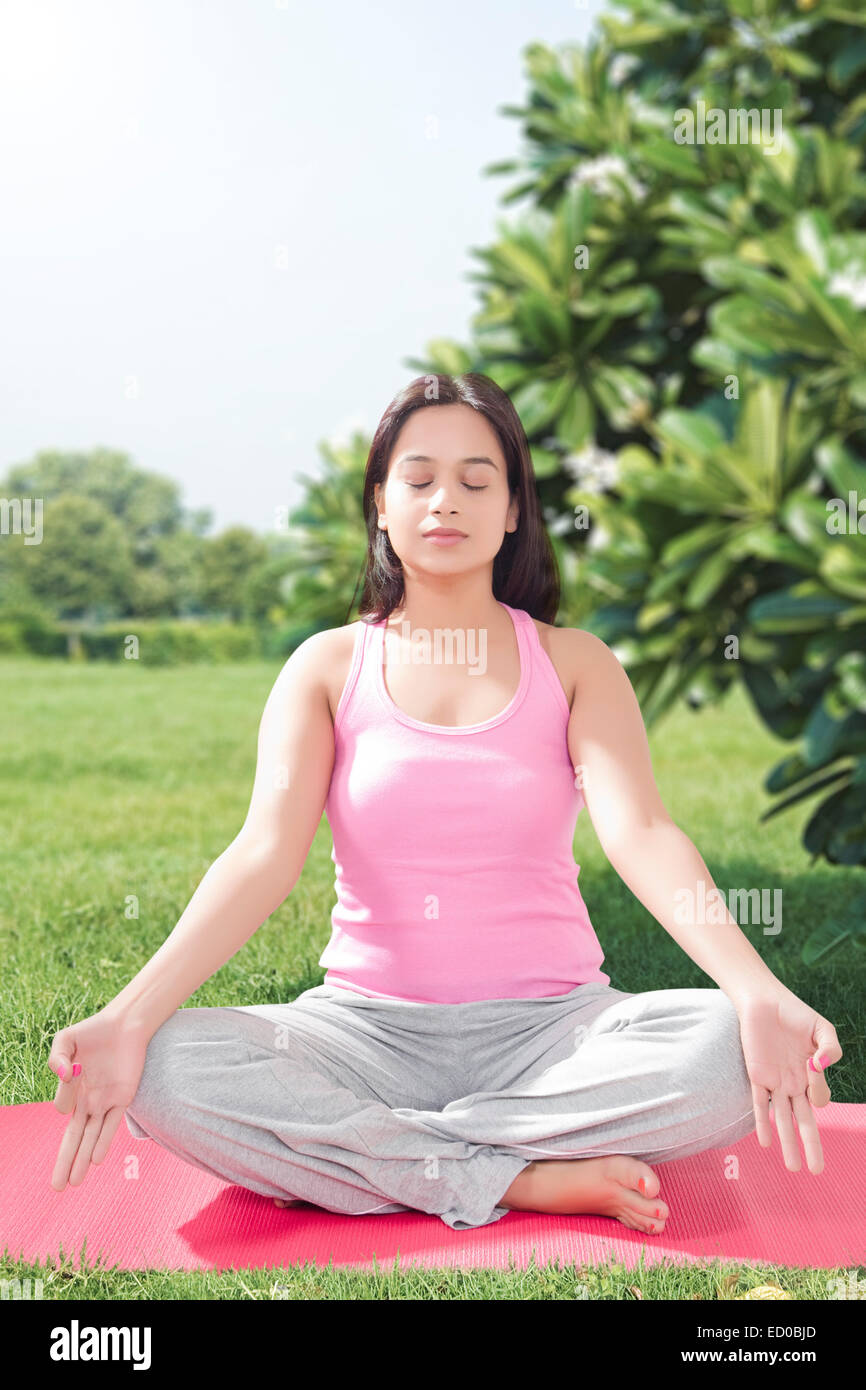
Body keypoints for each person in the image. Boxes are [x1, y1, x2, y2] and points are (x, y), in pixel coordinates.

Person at [48, 373, 840, 1234]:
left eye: (476, 480)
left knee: (725, 1052)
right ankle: (523, 1175)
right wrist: (127, 1016)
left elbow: (643, 833)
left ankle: (368, 1163)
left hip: (557, 1037)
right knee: (163, 1067)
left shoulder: (577, 664)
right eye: (418, 479)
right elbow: (262, 854)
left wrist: (756, 990)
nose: (444, 503)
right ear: (380, 503)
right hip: (364, 1038)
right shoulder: (325, 667)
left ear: (512, 511)